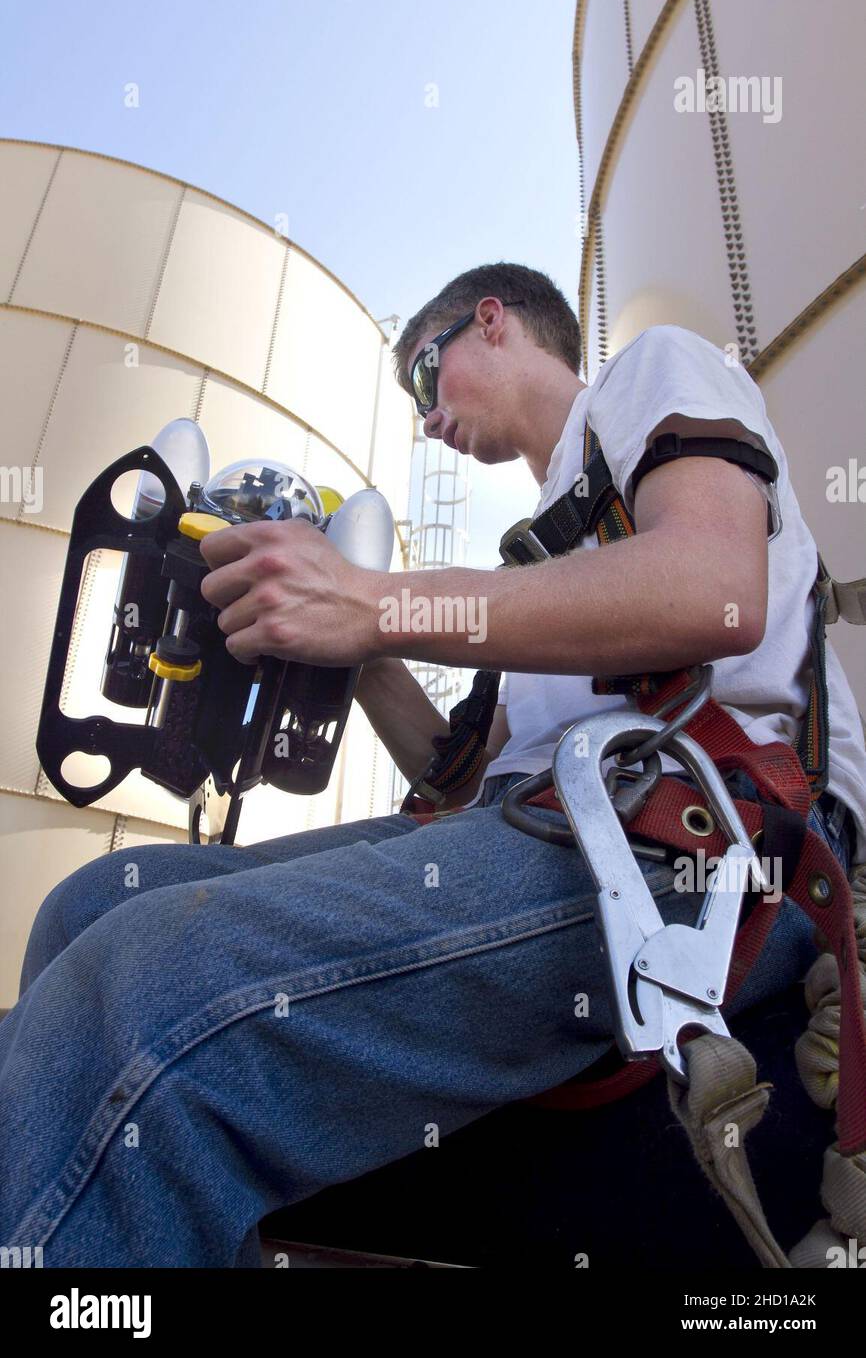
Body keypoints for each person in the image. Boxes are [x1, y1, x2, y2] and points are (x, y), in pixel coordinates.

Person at [2, 262, 862, 1268]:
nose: (421, 420)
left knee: (146, 980)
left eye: (422, 377)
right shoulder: (534, 561)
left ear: (490, 323)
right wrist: (352, 649)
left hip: (717, 847)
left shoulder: (650, 374)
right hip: (555, 825)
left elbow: (716, 589)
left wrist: (373, 600)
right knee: (91, 904)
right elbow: (457, 786)